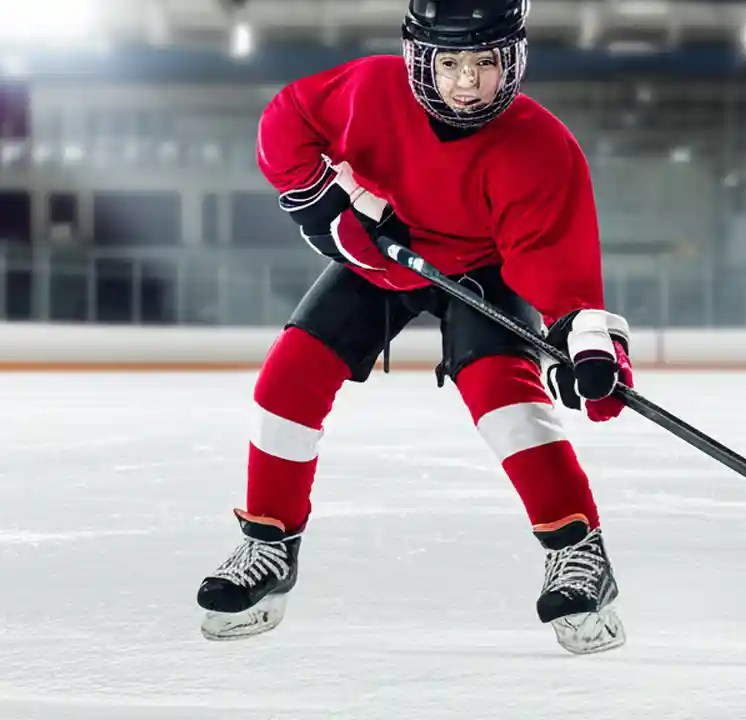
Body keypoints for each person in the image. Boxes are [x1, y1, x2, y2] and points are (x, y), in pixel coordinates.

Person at [195, 0, 635, 655]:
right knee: (287, 381)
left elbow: (560, 268)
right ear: (418, 57)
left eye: (482, 63)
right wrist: (323, 204)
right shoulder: (369, 91)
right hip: (381, 256)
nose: (464, 81)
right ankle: (269, 544)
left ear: (511, 58)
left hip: (484, 271)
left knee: (507, 400)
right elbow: (286, 121)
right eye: (449, 61)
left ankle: (578, 552)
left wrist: (588, 345)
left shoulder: (541, 149)